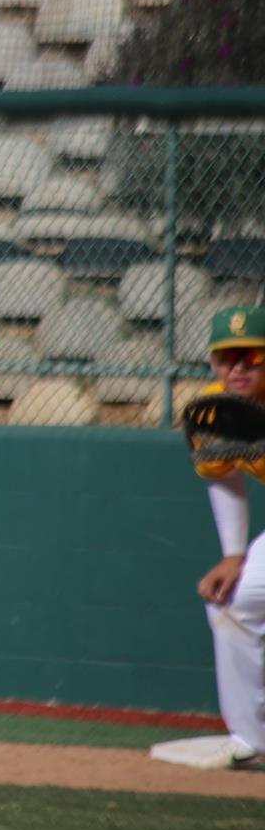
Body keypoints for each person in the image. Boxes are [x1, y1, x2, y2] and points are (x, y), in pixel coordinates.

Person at [151, 305, 265, 771]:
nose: (237, 367)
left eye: (251, 357)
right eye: (226, 357)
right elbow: (223, 476)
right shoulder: (214, 408)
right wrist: (234, 554)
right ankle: (248, 737)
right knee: (231, 601)